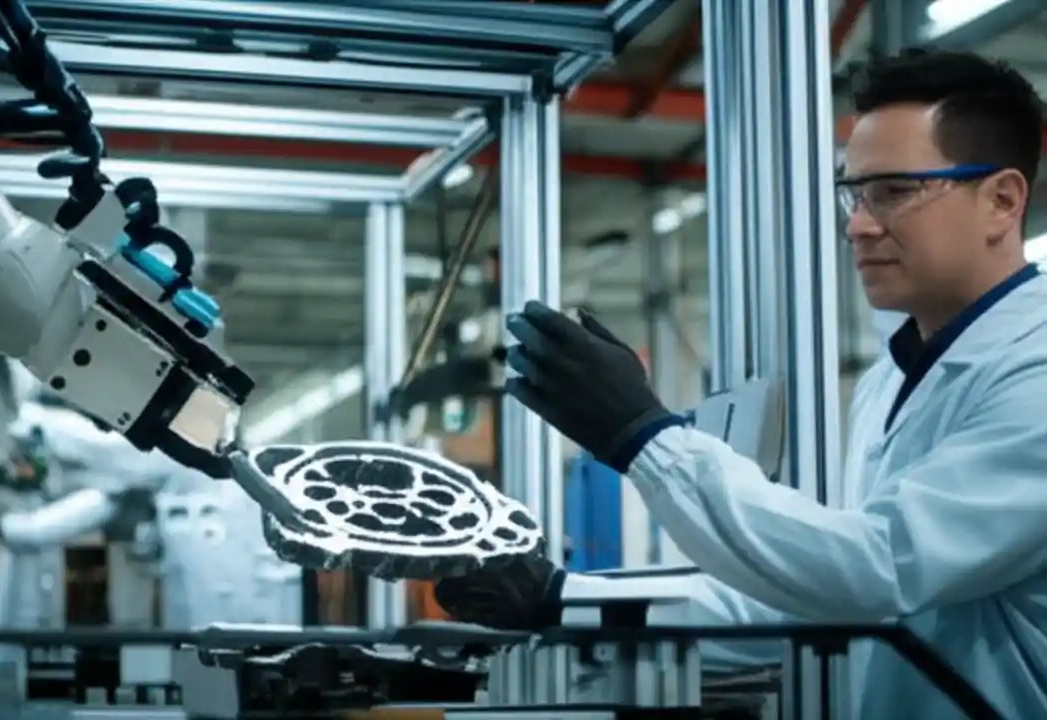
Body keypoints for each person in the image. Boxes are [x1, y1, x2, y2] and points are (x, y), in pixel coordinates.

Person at [434, 48, 1047, 719]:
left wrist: (648, 439)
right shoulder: (890, 380)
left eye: (895, 192)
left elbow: (879, 570)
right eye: (854, 193)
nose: (858, 224)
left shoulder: (1034, 374)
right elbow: (806, 598)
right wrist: (560, 597)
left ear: (1003, 201)